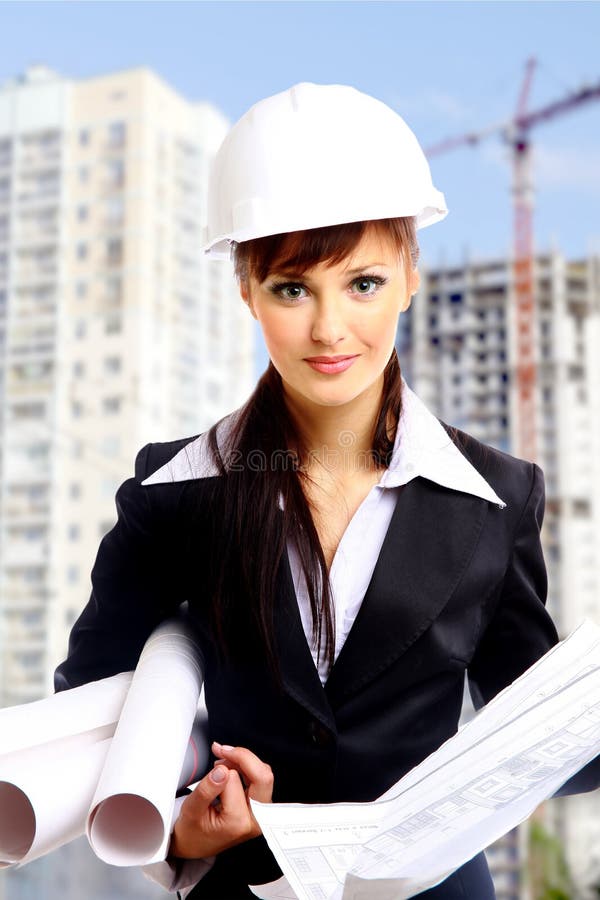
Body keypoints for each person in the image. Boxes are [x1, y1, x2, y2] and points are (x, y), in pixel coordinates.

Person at [54, 82, 599, 899]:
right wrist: (178, 812)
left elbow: (539, 741)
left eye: (364, 284)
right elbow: (93, 709)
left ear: (411, 275)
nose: (330, 330)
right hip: (243, 883)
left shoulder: (496, 497)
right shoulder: (176, 493)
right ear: (246, 290)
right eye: (291, 289)